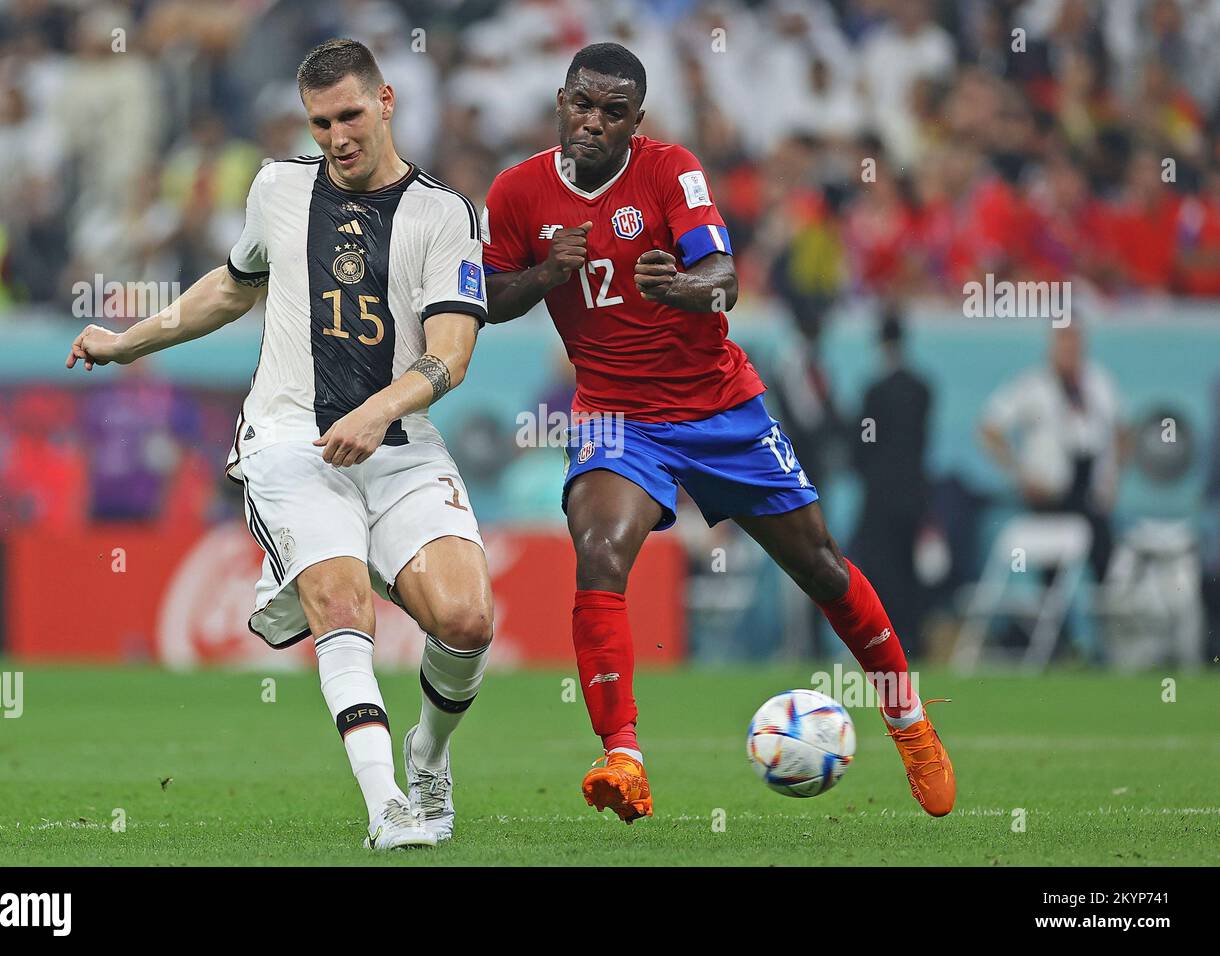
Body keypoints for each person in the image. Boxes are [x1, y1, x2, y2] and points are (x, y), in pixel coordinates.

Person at [482, 43, 955, 822]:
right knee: (598, 552)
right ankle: (623, 757)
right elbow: (491, 299)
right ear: (561, 101)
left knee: (824, 569)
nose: (591, 122)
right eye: (581, 104)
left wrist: (684, 288)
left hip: (718, 407)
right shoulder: (518, 190)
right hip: (614, 413)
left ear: (637, 122)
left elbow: (725, 277)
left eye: (612, 112)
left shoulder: (671, 172)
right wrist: (540, 278)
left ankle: (909, 722)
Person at [66, 39, 493, 851]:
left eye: (352, 115)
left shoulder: (444, 213)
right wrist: (126, 343)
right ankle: (387, 809)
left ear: (388, 100)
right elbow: (233, 286)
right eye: (321, 121)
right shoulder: (278, 187)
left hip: (397, 440)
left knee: (467, 621)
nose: (337, 136)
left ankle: (428, 756)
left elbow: (451, 353)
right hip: (290, 437)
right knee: (342, 599)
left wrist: (376, 412)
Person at [980, 321, 1127, 582]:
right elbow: (989, 429)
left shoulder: (1098, 382)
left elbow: (1123, 429)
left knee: (1107, 569)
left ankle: (1105, 618)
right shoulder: (1033, 385)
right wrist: (1020, 474)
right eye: (1063, 345)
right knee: (1052, 578)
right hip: (1050, 495)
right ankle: (1055, 622)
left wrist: (1115, 475)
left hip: (1091, 494)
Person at [850, 311, 933, 651]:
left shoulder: (875, 392)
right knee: (909, 566)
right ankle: (915, 637)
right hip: (914, 493)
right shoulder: (923, 389)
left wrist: (864, 467)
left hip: (881, 495)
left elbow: (863, 445)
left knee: (881, 570)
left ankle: (886, 640)